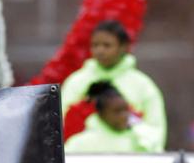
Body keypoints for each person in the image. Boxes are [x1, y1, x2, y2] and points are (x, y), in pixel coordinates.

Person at [60, 20, 166, 148]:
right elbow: (62, 124)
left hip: (131, 161)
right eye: (95, 45)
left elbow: (156, 131)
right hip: (85, 159)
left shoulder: (142, 85)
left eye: (107, 45)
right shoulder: (76, 82)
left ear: (123, 47)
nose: (100, 51)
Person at [64, 82, 161, 154]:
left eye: (126, 110)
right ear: (101, 114)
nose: (124, 115)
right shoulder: (79, 143)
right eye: (117, 111)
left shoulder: (142, 139)